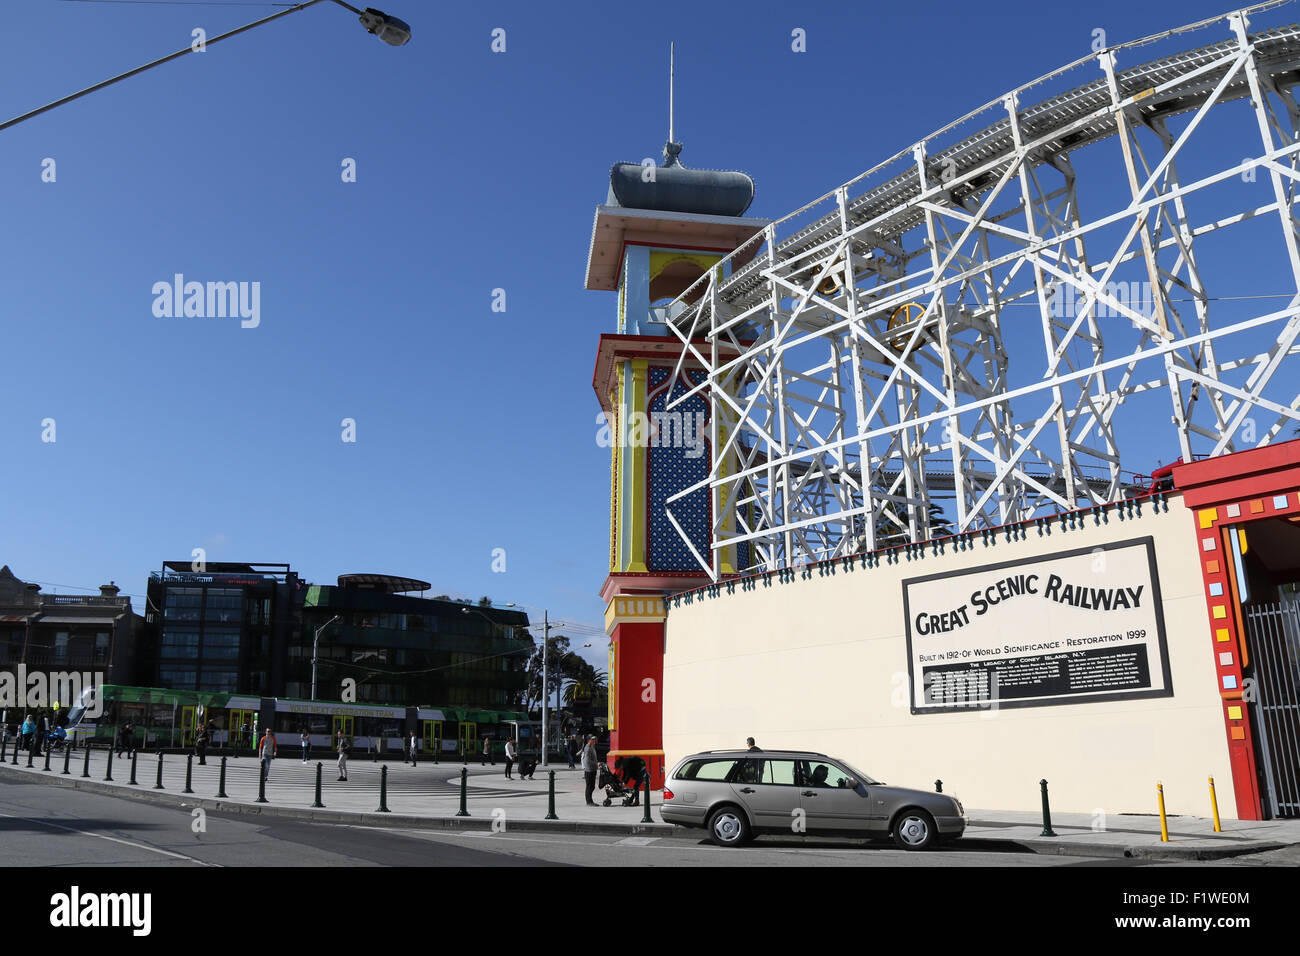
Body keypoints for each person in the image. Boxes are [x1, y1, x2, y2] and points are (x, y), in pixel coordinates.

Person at [581, 735, 599, 805]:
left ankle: (590, 801)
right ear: (589, 740)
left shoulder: (592, 747)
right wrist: (596, 764)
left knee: (592, 786)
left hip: (593, 769)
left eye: (594, 739)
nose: (594, 741)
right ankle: (589, 802)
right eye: (593, 739)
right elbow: (587, 761)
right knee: (589, 786)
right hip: (589, 770)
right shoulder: (587, 748)